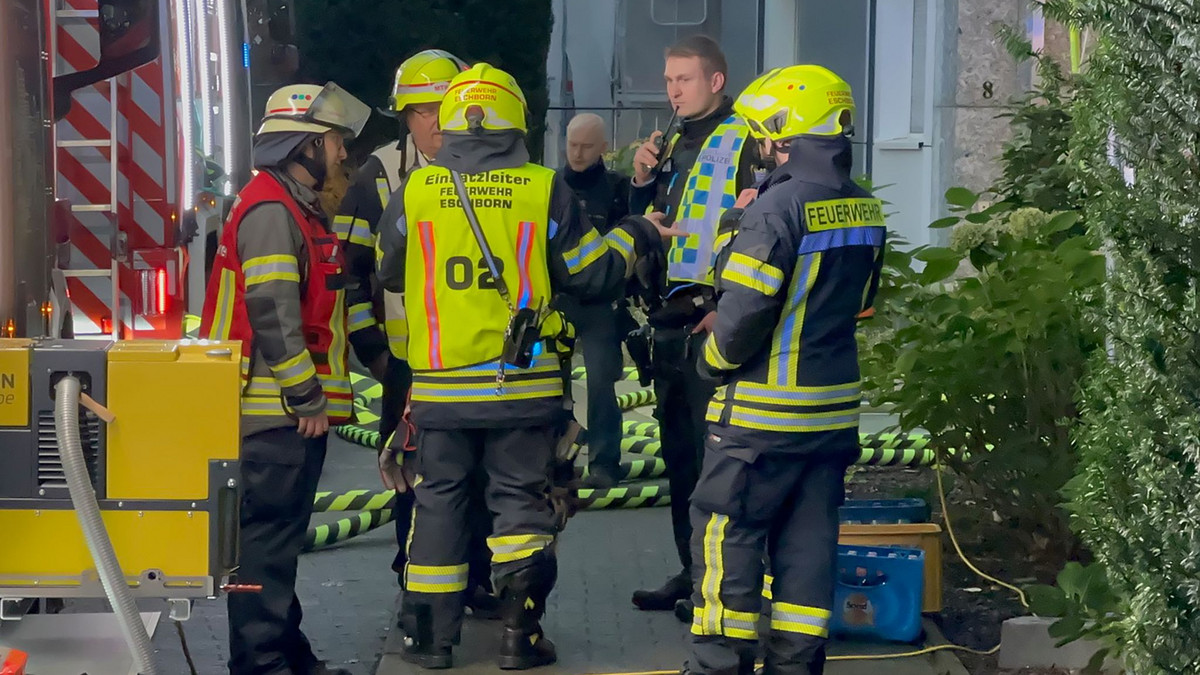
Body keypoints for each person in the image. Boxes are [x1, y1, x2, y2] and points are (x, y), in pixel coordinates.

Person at [376, 63, 675, 669]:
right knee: (520, 504)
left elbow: (386, 269)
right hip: (523, 387)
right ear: (517, 122)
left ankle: (432, 642)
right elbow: (591, 273)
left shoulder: (416, 190)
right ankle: (520, 638)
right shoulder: (544, 188)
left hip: (440, 390)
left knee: (439, 505)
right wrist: (639, 231)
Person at [684, 65, 886, 675]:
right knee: (807, 549)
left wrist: (710, 360)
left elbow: (741, 318)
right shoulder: (864, 206)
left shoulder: (777, 209)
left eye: (761, 137)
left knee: (726, 537)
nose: (758, 149)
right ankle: (797, 665)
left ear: (782, 134)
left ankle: (720, 664)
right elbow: (865, 301)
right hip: (830, 417)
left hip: (760, 420)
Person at [200, 82, 370, 675]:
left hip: (279, 416)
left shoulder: (286, 203)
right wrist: (305, 396)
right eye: (332, 140)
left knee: (273, 552)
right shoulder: (273, 210)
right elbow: (272, 310)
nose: (341, 153)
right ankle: (262, 666)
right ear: (302, 145)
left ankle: (289, 659)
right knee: (263, 556)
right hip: (274, 416)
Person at [331, 48, 500, 620]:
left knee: (481, 483)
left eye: (440, 108)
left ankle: (476, 581)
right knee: (414, 482)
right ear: (404, 118)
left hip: (484, 359)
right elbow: (347, 273)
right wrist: (373, 353)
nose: (430, 122)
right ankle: (419, 591)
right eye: (417, 112)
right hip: (409, 363)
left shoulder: (499, 170)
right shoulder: (379, 175)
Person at [628, 33, 760, 614]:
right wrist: (637, 184)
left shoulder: (746, 139)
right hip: (668, 322)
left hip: (711, 319)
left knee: (717, 463)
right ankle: (691, 570)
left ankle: (720, 585)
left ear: (716, 81)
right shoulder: (673, 139)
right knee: (681, 457)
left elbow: (761, 236)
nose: (672, 90)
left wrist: (726, 308)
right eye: (668, 80)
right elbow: (651, 224)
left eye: (683, 79)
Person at [555, 112, 630, 487]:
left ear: (603, 148)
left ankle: (604, 463)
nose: (578, 153)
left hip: (601, 302)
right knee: (553, 385)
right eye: (572, 145)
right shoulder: (551, 187)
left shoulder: (618, 189)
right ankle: (557, 459)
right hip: (559, 300)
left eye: (587, 146)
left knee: (602, 383)